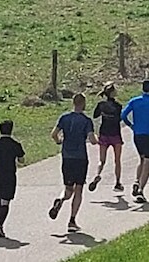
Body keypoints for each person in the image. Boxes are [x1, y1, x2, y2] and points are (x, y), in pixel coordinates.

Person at [49, 93, 97, 233]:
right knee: (79, 189)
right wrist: (97, 140)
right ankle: (72, 220)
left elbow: (54, 134)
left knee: (68, 189)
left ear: (73, 103)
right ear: (83, 104)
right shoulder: (86, 121)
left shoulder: (64, 118)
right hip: (80, 158)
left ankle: (60, 199)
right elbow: (92, 139)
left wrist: (59, 141)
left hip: (67, 157)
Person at [120, 80, 149, 203]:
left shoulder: (134, 101)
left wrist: (131, 125)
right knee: (148, 162)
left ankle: (136, 180)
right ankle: (140, 190)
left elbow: (123, 115)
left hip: (137, 134)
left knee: (141, 158)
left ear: (142, 89)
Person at [0, 120, 24, 238]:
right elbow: (21, 161)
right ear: (11, 130)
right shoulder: (15, 144)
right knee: (5, 201)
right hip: (9, 176)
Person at [90, 83, 124, 192]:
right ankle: (118, 183)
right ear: (113, 93)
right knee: (117, 160)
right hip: (115, 134)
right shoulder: (118, 106)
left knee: (102, 160)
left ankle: (98, 174)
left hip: (104, 133)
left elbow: (95, 115)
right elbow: (119, 119)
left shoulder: (101, 105)